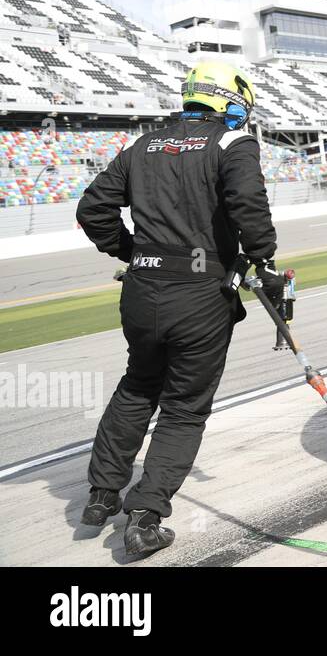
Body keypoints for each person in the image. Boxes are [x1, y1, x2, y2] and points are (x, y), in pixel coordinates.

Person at [75, 61, 281, 558]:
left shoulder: (143, 144)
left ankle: (102, 494)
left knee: (137, 385)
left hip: (142, 291)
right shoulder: (233, 144)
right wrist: (262, 255)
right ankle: (145, 515)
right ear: (226, 101)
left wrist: (130, 251)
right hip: (199, 294)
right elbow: (248, 207)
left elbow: (91, 210)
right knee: (185, 407)